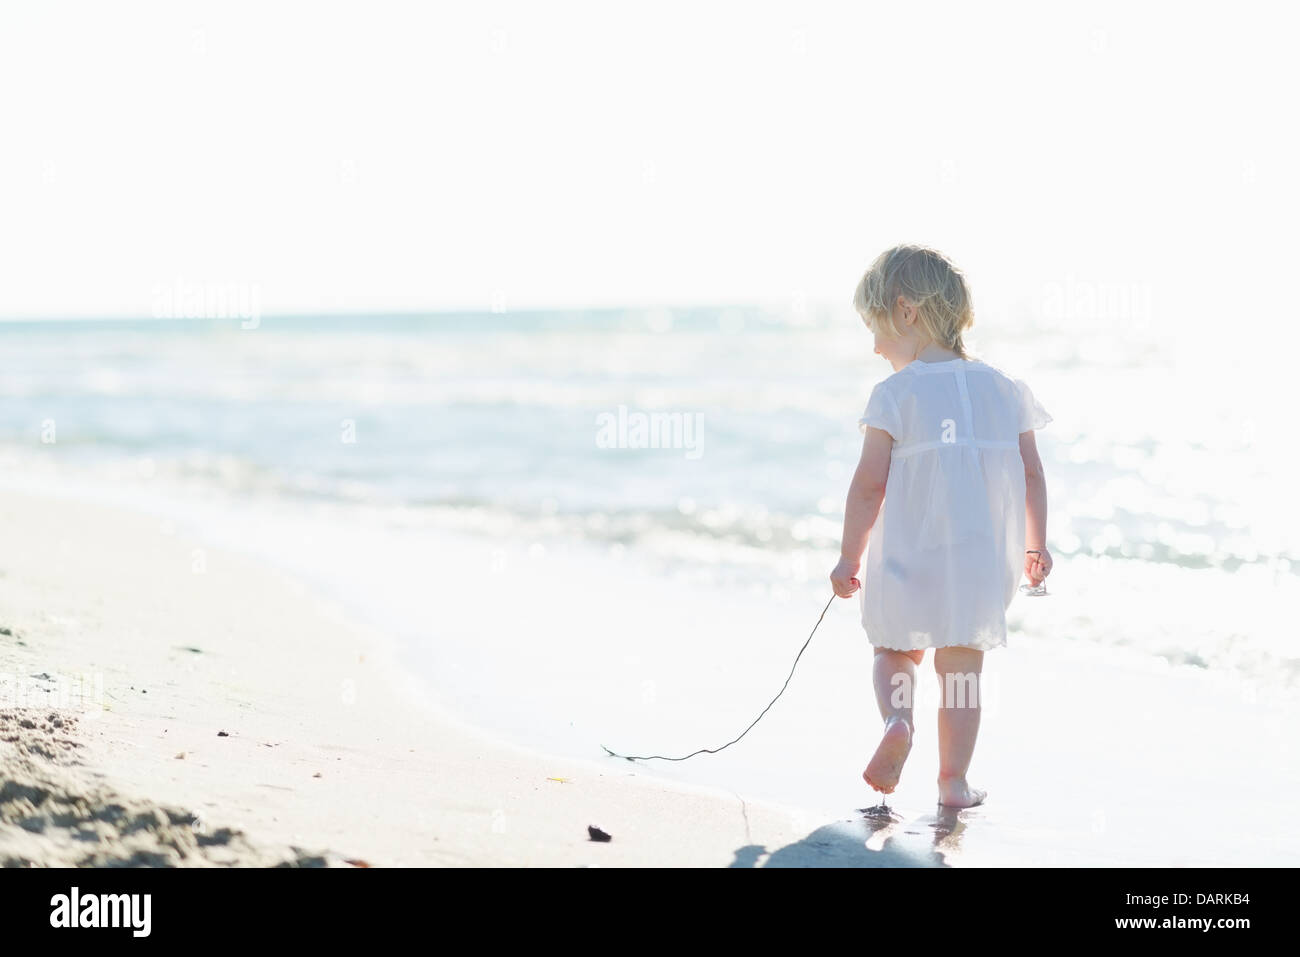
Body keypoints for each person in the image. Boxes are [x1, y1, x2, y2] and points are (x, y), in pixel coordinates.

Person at [830, 244, 1052, 809]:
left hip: (907, 555)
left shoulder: (894, 395)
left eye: (875, 328)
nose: (875, 347)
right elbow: (1031, 473)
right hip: (977, 563)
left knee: (895, 652)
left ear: (905, 311)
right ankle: (952, 782)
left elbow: (868, 487)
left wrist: (849, 559)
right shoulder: (1006, 389)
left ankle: (898, 721)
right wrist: (1036, 544)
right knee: (961, 671)